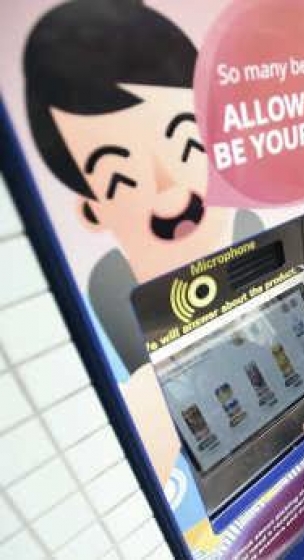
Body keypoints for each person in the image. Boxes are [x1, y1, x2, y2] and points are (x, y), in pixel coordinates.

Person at [23, 0, 263, 482]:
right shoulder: (108, 289)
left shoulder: (248, 230)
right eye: (122, 177)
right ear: (91, 211)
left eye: (188, 144)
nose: (171, 196)